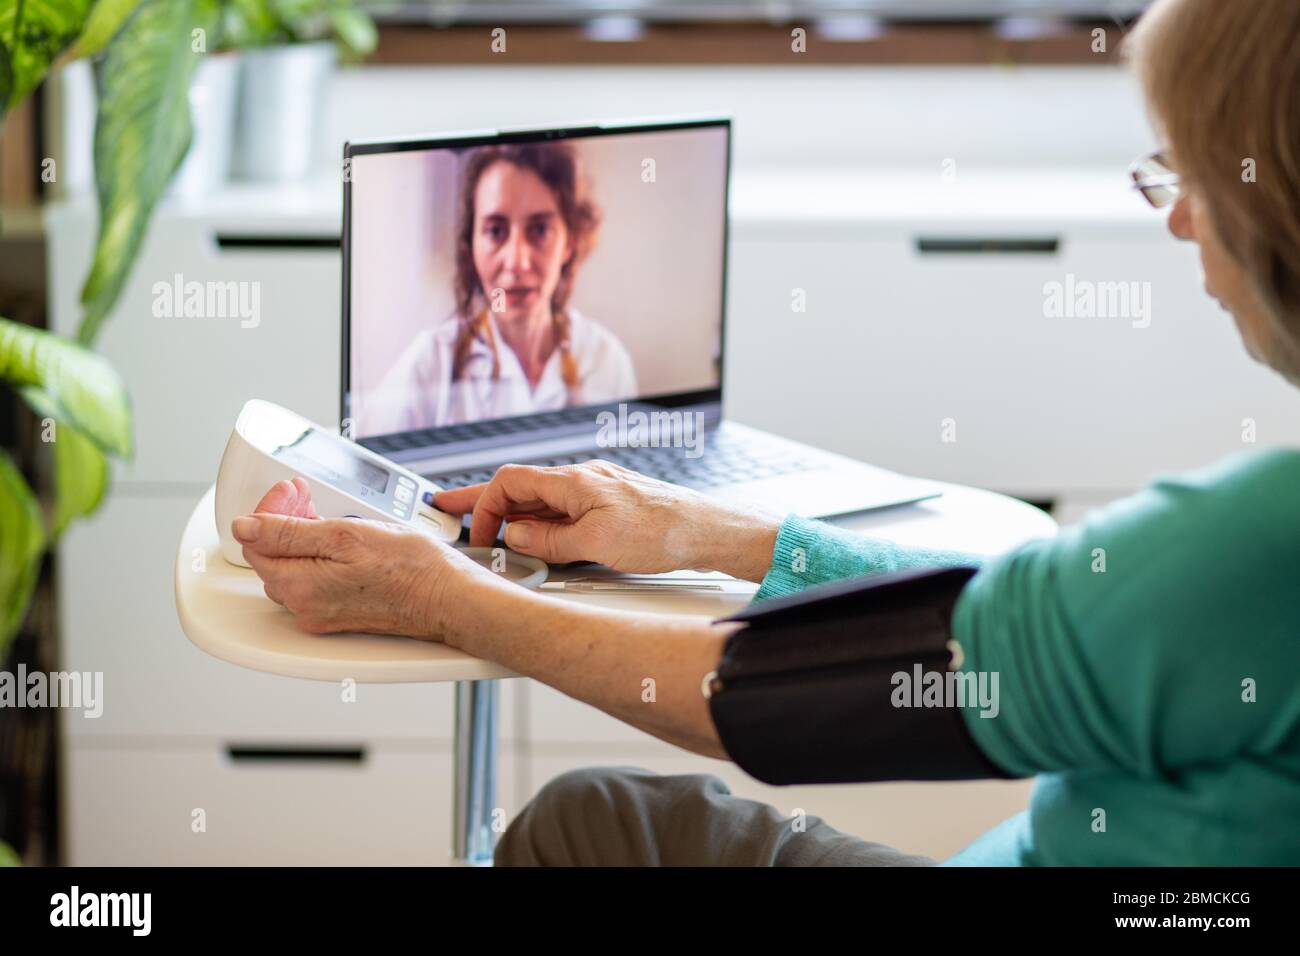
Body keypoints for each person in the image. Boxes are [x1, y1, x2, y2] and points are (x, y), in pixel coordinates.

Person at [231, 0, 1300, 865]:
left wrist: (443, 595)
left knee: (584, 825)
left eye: (1191, 173)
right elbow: (1019, 619)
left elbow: (768, 700)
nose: (1175, 216)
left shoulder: (1264, 535)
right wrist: (702, 529)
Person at [360, 142, 637, 434]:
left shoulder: (606, 361)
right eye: (495, 231)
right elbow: (361, 466)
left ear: (569, 243)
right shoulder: (430, 364)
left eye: (540, 229)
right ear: (471, 245)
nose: (517, 262)